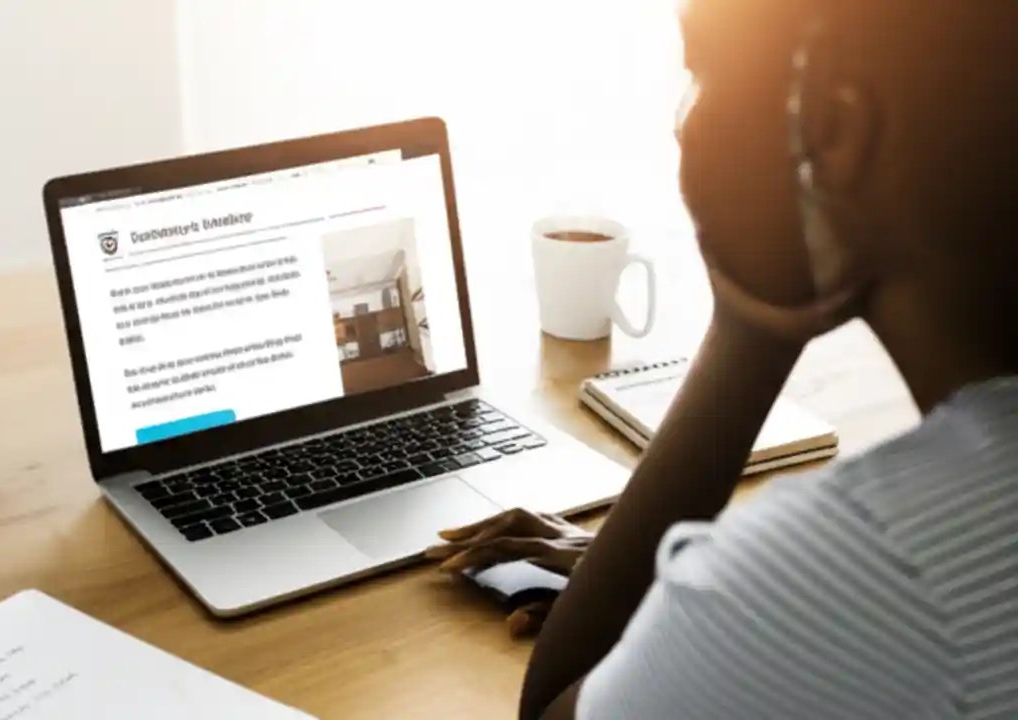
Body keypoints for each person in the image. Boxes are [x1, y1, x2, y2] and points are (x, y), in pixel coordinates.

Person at [427, 0, 1017, 717]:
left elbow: (557, 710)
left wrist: (750, 328)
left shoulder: (863, 572)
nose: (681, 120)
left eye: (701, 70)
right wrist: (662, 582)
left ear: (832, 130)